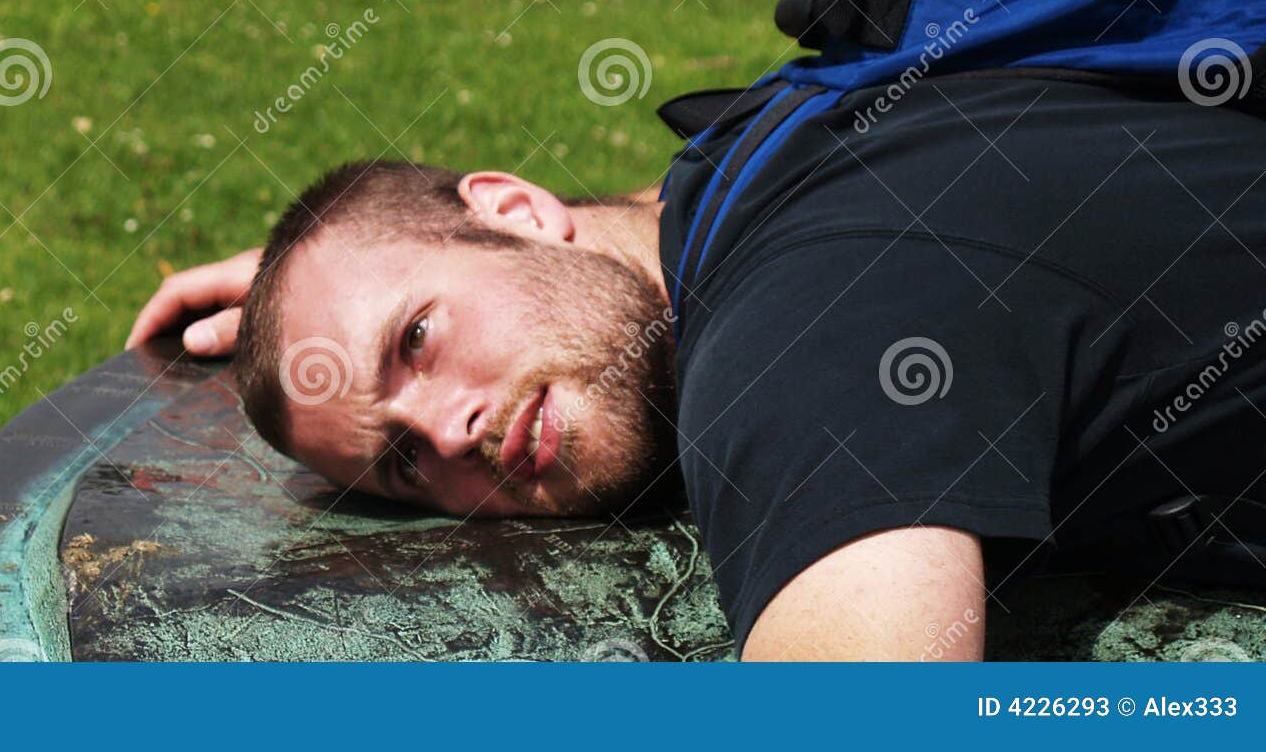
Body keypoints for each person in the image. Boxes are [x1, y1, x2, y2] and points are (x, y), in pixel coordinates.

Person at [126, 73, 1266, 660]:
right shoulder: (776, 139)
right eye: (404, 461)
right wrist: (333, 286)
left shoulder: (799, 347)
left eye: (416, 339)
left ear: (517, 207)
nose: (452, 429)